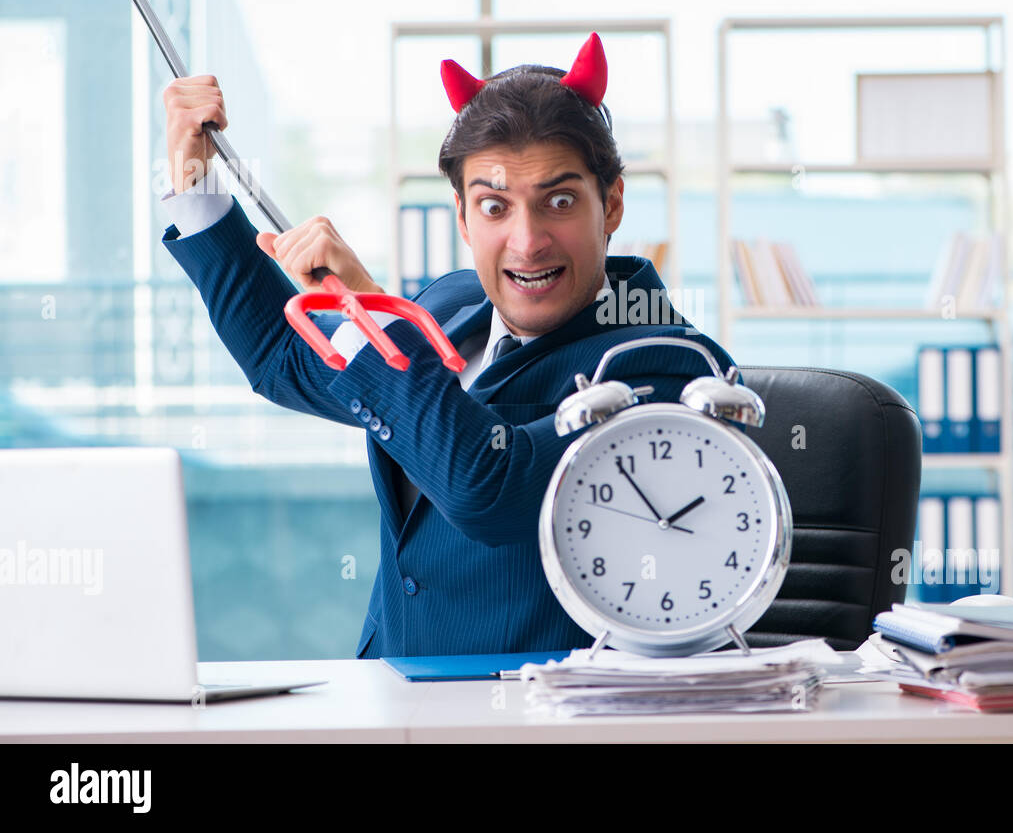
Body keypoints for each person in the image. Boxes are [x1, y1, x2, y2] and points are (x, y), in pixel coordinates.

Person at [158, 33, 739, 657]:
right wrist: (194, 180)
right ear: (462, 217)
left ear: (612, 204)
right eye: (495, 207)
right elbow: (280, 357)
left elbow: (488, 486)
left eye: (559, 202)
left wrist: (367, 317)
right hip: (387, 705)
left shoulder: (674, 368)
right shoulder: (445, 310)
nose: (527, 241)